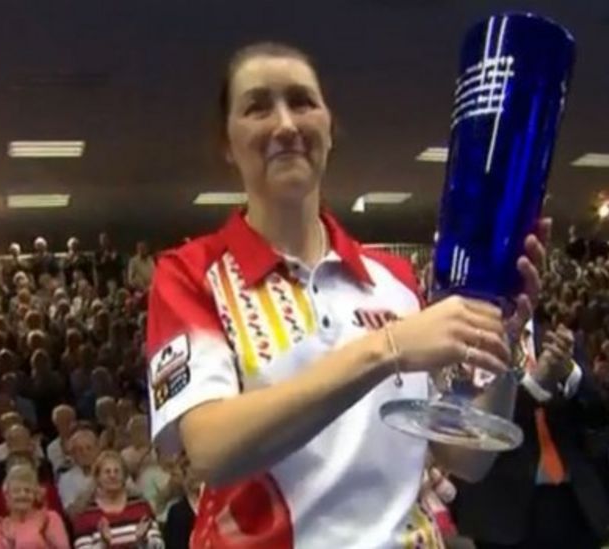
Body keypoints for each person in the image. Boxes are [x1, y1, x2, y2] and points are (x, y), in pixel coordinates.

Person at [146, 42, 546, 547]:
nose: (286, 124)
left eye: (302, 101)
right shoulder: (189, 275)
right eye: (257, 106)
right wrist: (388, 349)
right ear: (227, 142)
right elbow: (211, 451)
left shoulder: (395, 279)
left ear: (329, 128)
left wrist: (502, 344)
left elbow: (468, 460)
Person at [450, 322, 609, 549]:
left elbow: (601, 412)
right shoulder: (466, 344)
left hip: (574, 503)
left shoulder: (559, 338)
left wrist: (572, 375)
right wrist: (531, 387)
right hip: (501, 513)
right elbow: (474, 426)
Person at [70, 450, 163, 548]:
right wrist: (103, 544)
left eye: (117, 471)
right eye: (107, 472)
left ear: (124, 476)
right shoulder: (85, 514)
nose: (112, 475)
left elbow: (159, 545)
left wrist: (142, 541)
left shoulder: (141, 507)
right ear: (98, 478)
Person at [0, 464, 70, 549]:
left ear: (35, 495)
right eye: (16, 491)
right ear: (7, 495)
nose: (23, 495)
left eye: (28, 491)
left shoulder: (50, 519)